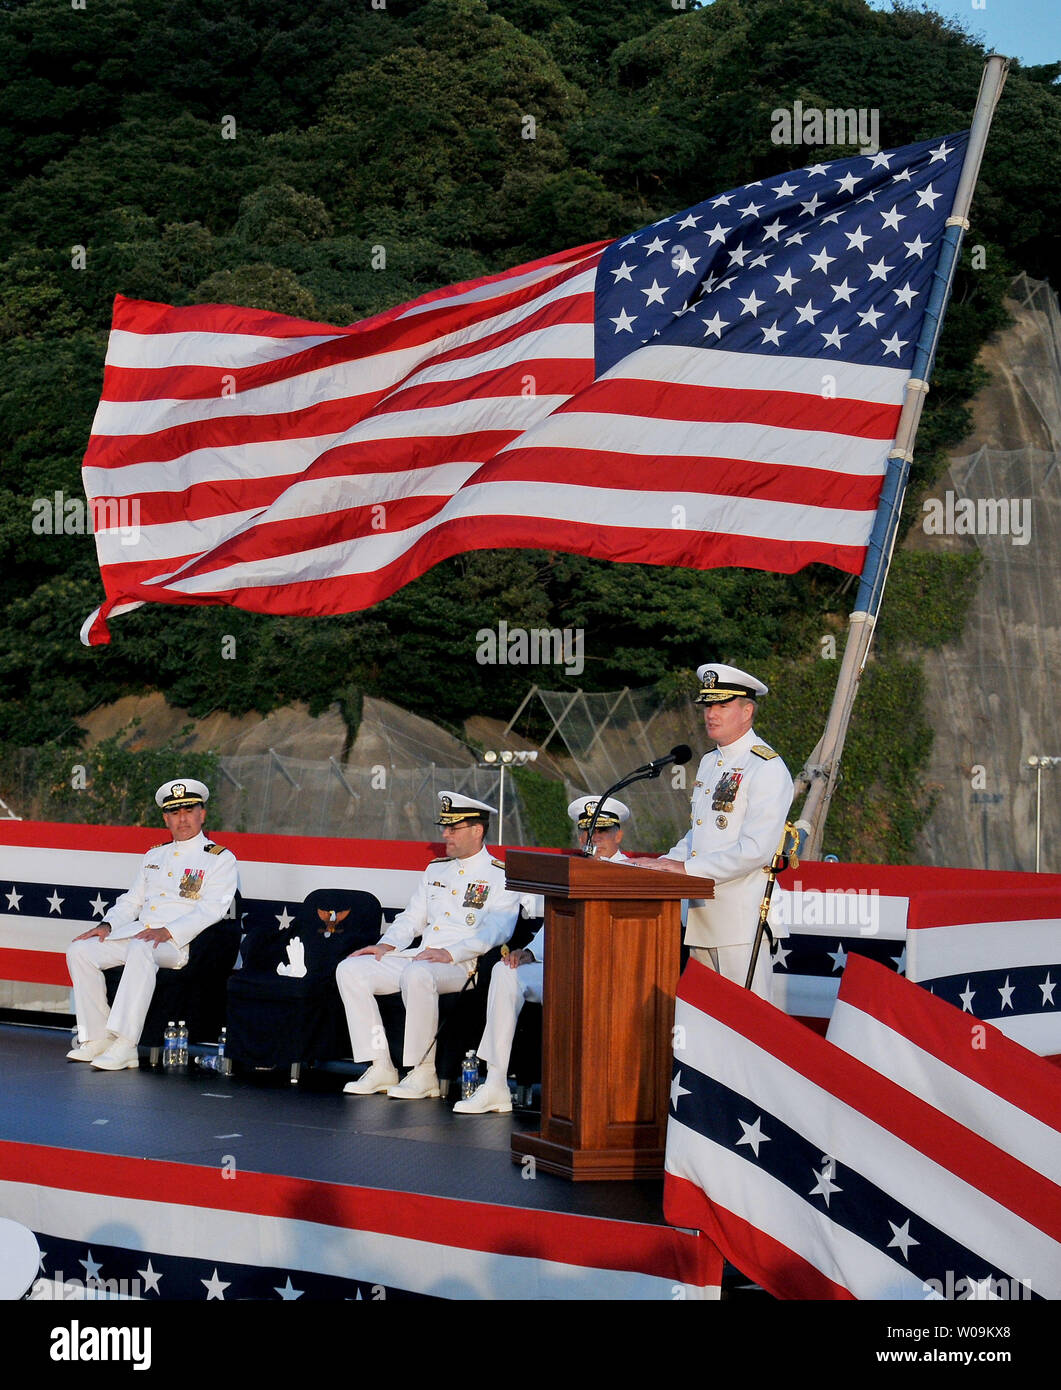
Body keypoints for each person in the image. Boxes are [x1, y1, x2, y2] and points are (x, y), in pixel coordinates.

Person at [337, 791, 523, 1100]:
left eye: (453, 828)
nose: (444, 834)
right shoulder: (436, 869)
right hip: (421, 956)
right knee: (351, 969)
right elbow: (412, 918)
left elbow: (497, 931)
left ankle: (424, 1072)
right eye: (445, 827)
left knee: (418, 974)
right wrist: (386, 946)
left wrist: (451, 953)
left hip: (463, 964)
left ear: (477, 831)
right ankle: (381, 1064)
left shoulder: (501, 875)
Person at [453, 795, 632, 1115]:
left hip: (610, 975)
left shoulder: (638, 875)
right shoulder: (572, 870)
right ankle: (495, 1083)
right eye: (587, 833)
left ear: (619, 835)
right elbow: (555, 923)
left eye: (602, 832)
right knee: (504, 971)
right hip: (564, 969)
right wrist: (529, 953)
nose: (594, 839)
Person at [628, 664, 793, 1000]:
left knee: (749, 1030)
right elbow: (698, 836)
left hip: (740, 923)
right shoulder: (710, 762)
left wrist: (685, 870)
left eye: (722, 705)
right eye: (708, 706)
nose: (711, 714)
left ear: (747, 711)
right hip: (702, 918)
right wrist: (660, 864)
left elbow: (755, 850)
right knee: (707, 1032)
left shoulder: (766, 767)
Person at [66, 778, 238, 1071]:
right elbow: (132, 902)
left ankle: (125, 1044)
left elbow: (213, 909)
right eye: (174, 813)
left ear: (202, 814)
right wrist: (107, 925)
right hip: (141, 935)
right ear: (165, 818)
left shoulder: (219, 859)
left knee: (142, 947)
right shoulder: (154, 855)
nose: (182, 819)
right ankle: (96, 1038)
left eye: (188, 811)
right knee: (81, 950)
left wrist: (168, 931)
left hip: (179, 944)